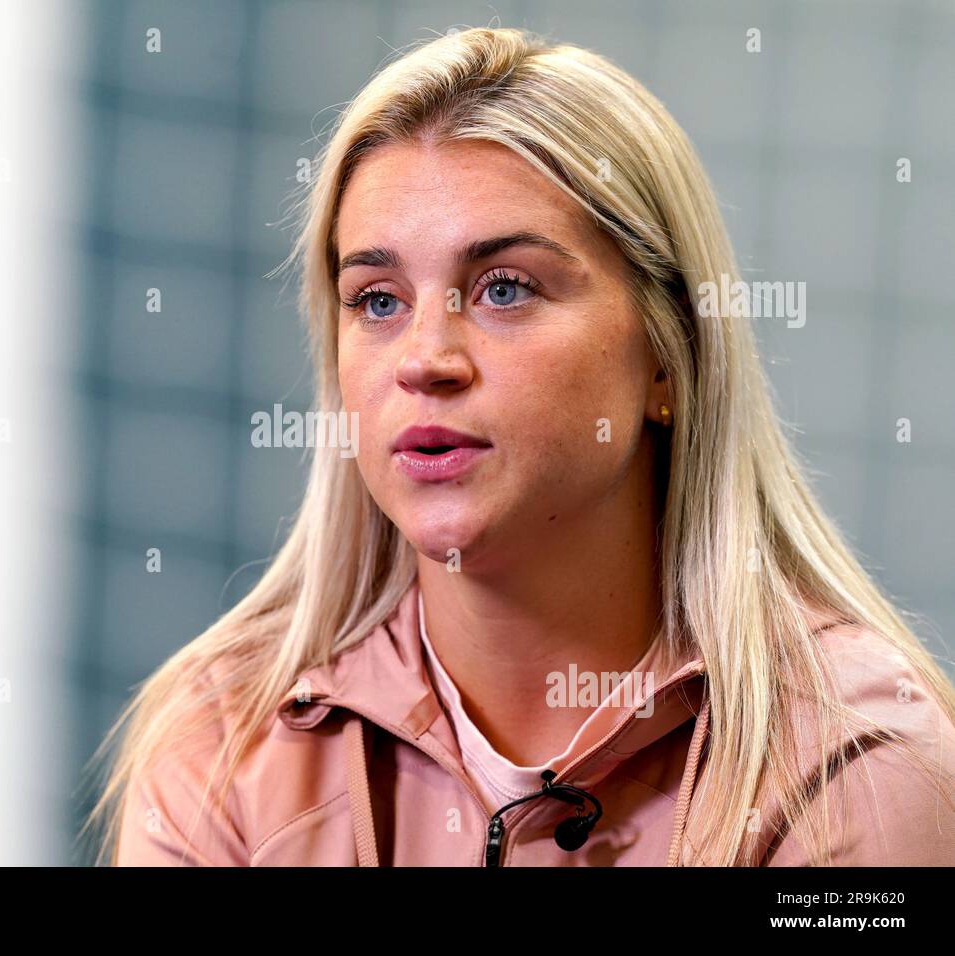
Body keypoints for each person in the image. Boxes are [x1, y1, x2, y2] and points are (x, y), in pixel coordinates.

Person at [82, 26, 955, 866]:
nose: (426, 360)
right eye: (377, 300)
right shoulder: (224, 752)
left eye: (504, 288)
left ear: (668, 356)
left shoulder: (858, 769)